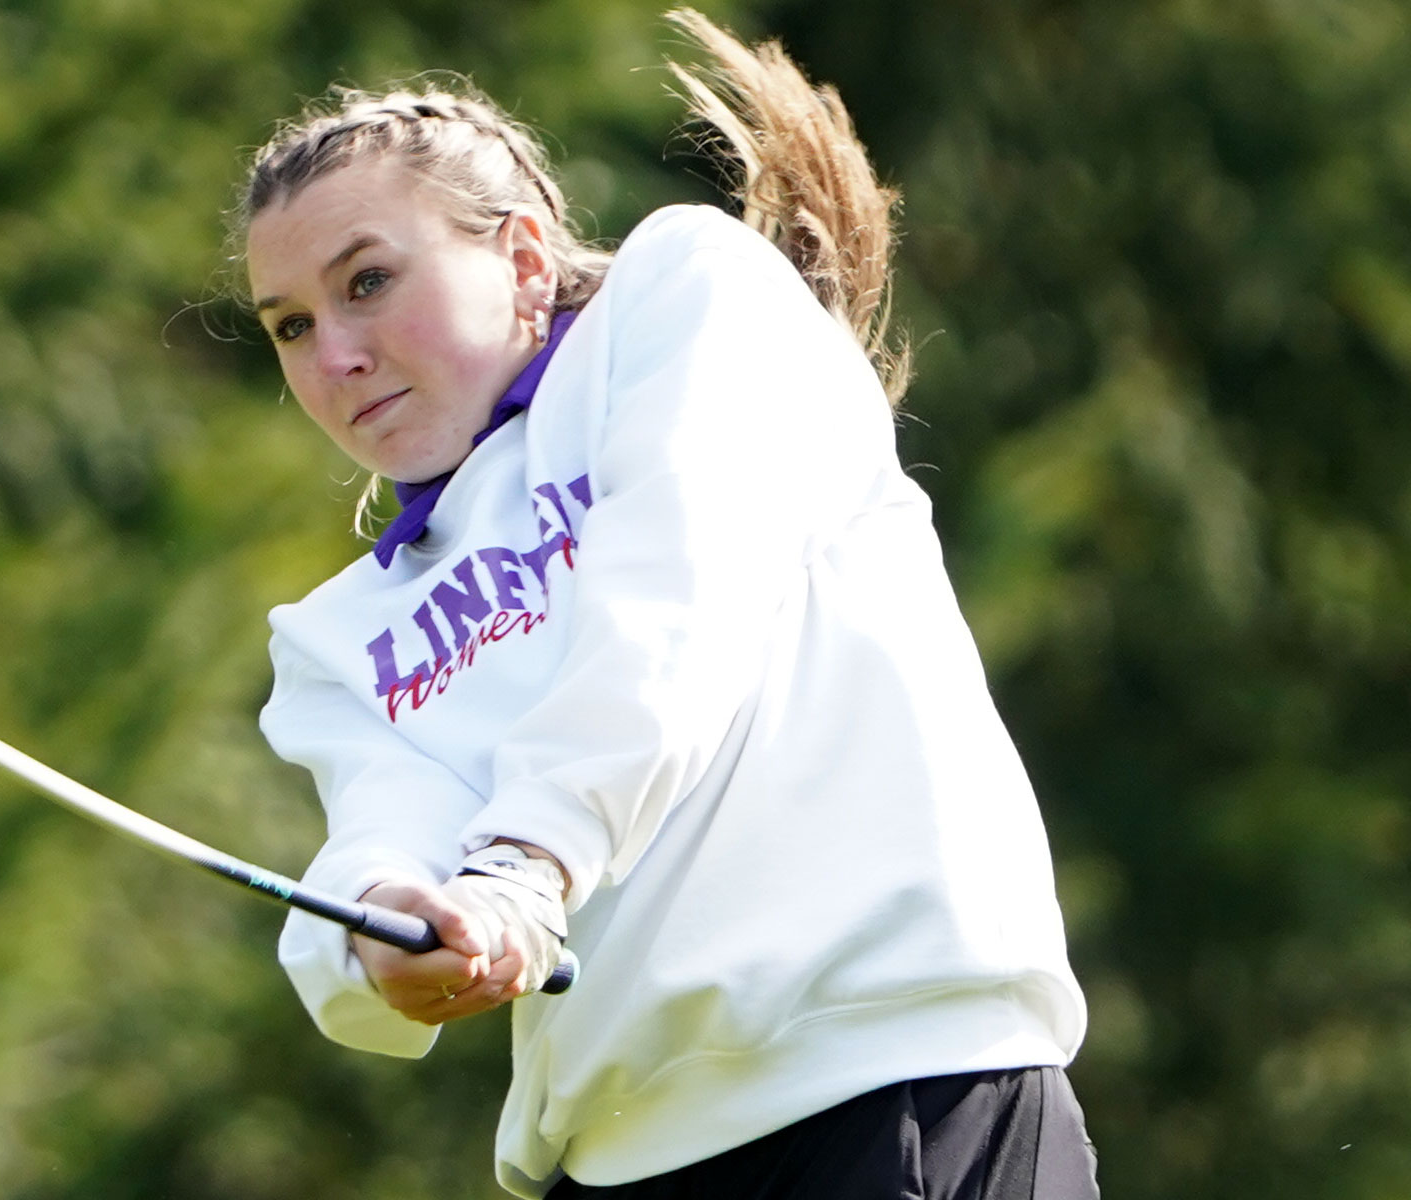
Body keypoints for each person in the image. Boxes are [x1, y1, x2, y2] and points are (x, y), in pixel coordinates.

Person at [235, 9, 1097, 1198]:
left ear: (527, 258)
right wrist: (384, 928)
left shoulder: (688, 296)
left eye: (369, 282)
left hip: (896, 1083)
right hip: (623, 1163)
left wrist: (526, 869)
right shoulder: (340, 635)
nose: (334, 354)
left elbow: (672, 604)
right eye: (291, 326)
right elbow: (384, 828)